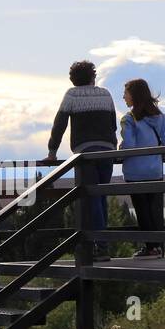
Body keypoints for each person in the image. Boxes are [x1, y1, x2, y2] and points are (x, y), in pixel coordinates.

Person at [47, 60, 118, 261]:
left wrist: (52, 151)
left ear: (73, 79)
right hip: (107, 150)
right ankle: (103, 245)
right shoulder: (105, 94)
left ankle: (101, 246)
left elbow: (59, 124)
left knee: (92, 197)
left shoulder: (71, 95)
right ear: (93, 76)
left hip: (85, 152)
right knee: (102, 196)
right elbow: (112, 124)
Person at [119, 78, 165, 258]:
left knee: (143, 212)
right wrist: (157, 157)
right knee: (155, 212)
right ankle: (158, 248)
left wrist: (118, 154)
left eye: (126, 93)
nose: (123, 97)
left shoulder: (128, 119)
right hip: (155, 171)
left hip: (135, 172)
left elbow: (129, 146)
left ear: (134, 96)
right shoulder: (160, 117)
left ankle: (151, 248)